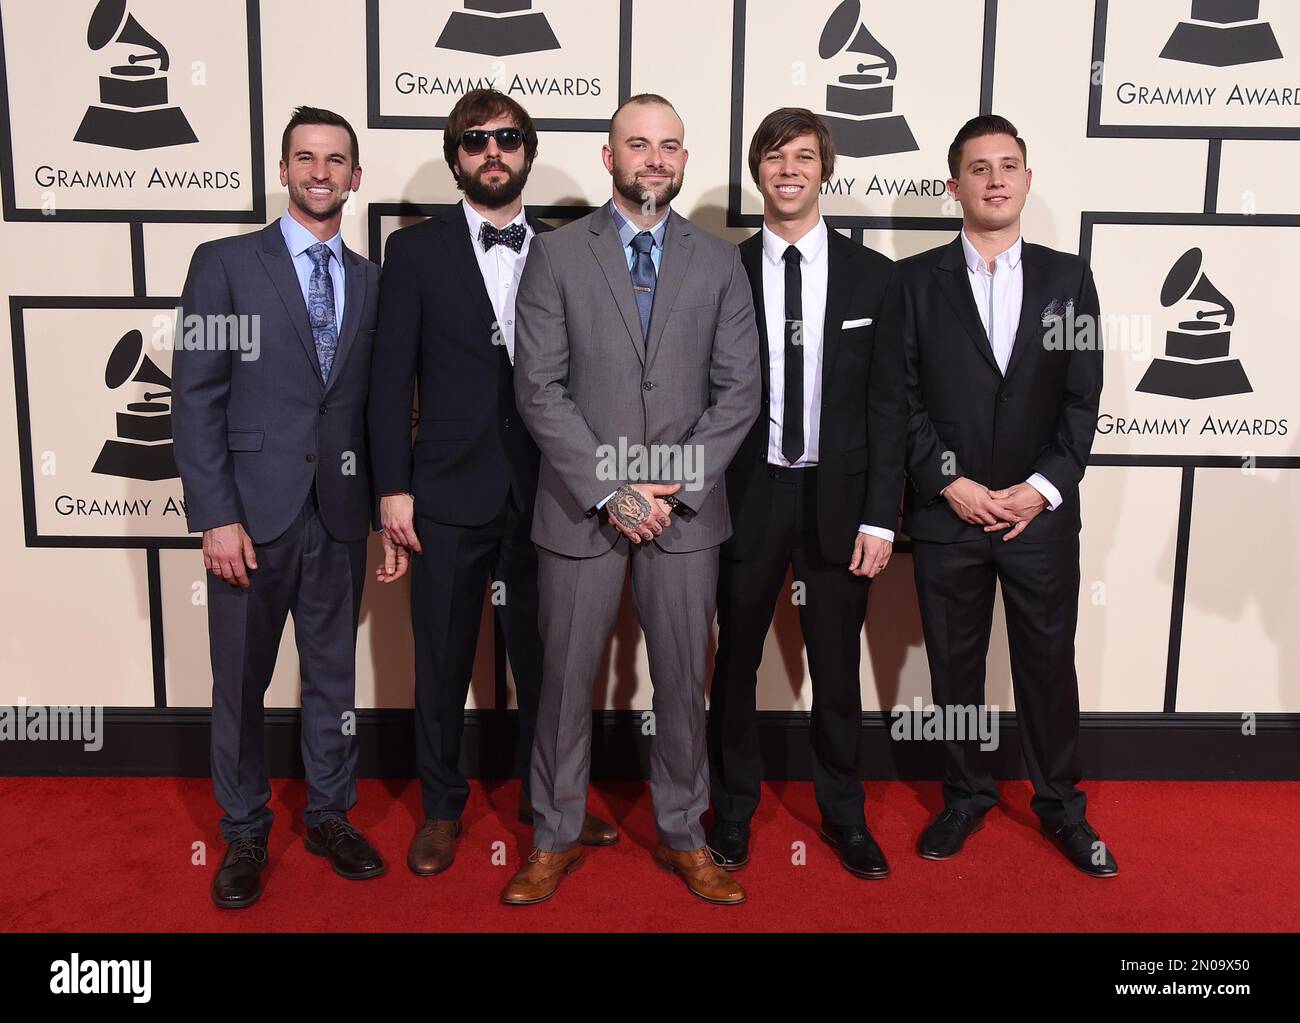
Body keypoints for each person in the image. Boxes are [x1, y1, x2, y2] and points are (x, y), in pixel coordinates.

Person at [501, 94, 760, 906]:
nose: (655, 158)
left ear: (685, 162)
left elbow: (739, 392)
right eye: (638, 144)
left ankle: (685, 833)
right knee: (564, 679)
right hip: (581, 508)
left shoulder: (719, 262)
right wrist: (613, 486)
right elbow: (538, 388)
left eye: (670, 147)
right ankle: (555, 831)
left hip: (684, 516)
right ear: (608, 157)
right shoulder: (555, 255)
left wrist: (664, 488)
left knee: (685, 680)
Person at [368, 89, 617, 879]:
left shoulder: (572, 251)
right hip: (443, 495)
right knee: (440, 660)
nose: (492, 151)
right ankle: (442, 809)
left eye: (507, 138)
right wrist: (392, 488)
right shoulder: (413, 254)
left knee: (549, 662)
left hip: (549, 492)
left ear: (528, 151)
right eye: (475, 140)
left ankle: (555, 807)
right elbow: (386, 384)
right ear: (456, 157)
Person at [173, 106, 401, 908]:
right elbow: (195, 395)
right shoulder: (225, 264)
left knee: (332, 680)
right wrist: (215, 513)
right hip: (249, 517)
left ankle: (331, 815)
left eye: (336, 159)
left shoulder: (374, 280)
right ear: (282, 169)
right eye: (305, 157)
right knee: (239, 681)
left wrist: (380, 509)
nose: (320, 172)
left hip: (336, 516)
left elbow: (372, 408)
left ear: (355, 176)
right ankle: (242, 828)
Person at [897, 114, 1116, 877]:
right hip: (947, 514)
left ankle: (1061, 806)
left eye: (1009, 165)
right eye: (979, 167)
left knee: (1048, 666)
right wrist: (949, 484)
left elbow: (1082, 403)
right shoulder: (915, 282)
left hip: (1040, 521)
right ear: (954, 184)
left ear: (1028, 179)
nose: (995, 178)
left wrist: (1040, 489)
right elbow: (903, 398)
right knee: (954, 669)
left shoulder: (1069, 279)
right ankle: (964, 795)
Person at [706, 108, 905, 880]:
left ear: (825, 169)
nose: (789, 169)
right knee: (735, 666)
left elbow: (889, 406)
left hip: (838, 500)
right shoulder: (720, 269)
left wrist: (879, 516)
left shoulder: (873, 277)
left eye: (804, 156)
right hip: (746, 495)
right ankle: (731, 811)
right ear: (757, 170)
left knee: (837, 667)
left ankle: (844, 815)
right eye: (774, 156)